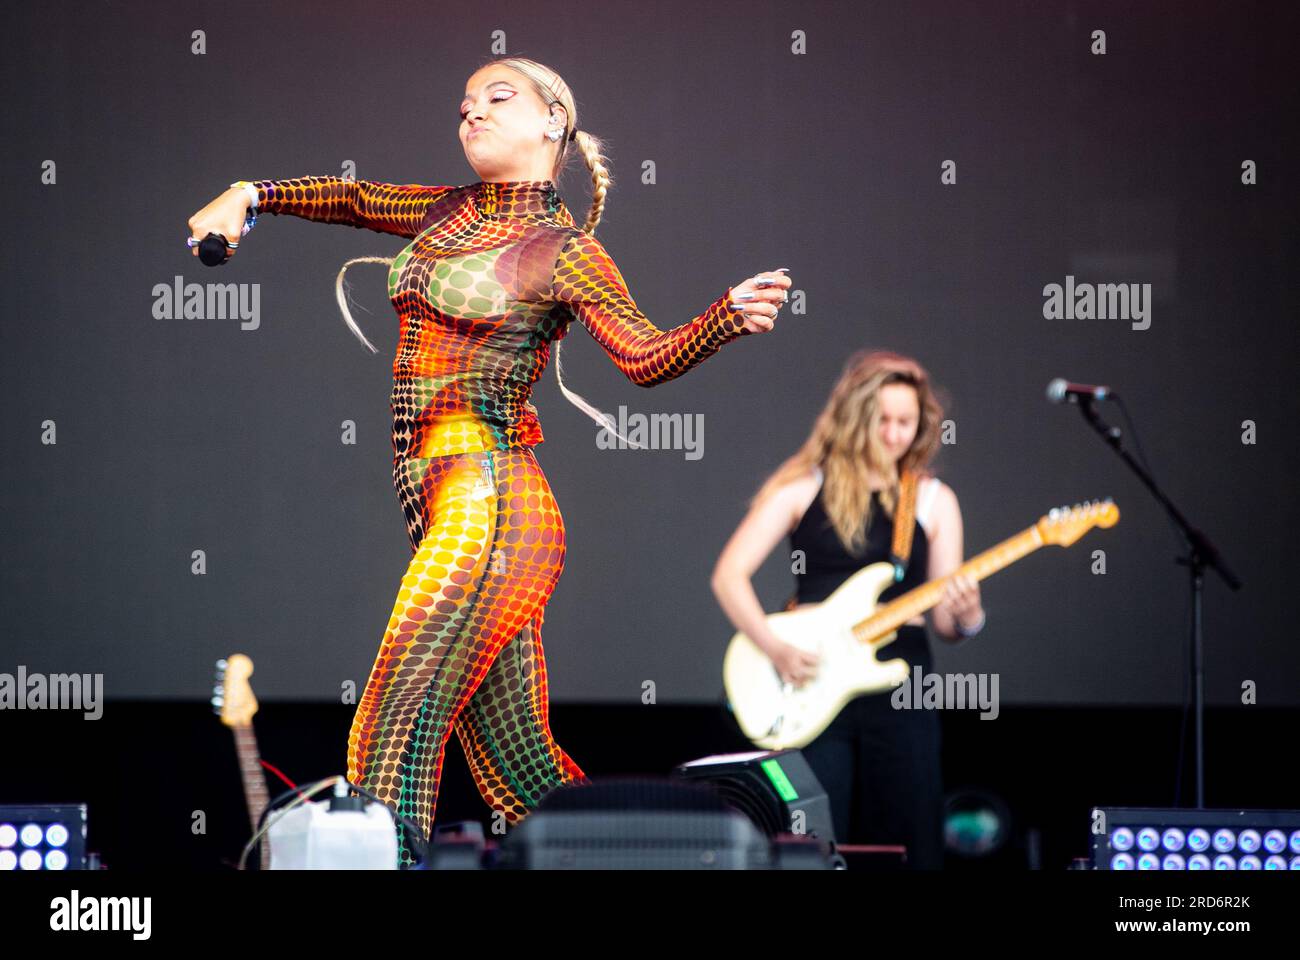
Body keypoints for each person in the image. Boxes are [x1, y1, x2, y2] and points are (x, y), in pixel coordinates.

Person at [186, 56, 793, 867]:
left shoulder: (562, 251)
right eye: (464, 104)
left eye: (497, 98)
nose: (471, 113)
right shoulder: (449, 211)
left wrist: (724, 317)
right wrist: (249, 193)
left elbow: (646, 358)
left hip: (494, 500)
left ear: (554, 122)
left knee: (396, 713)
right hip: (442, 502)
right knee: (524, 775)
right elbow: (356, 198)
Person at [710, 350, 984, 869]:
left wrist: (969, 615)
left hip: (901, 687)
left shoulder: (931, 500)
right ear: (855, 419)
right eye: (882, 420)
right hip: (811, 681)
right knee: (814, 836)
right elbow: (728, 575)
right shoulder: (804, 486)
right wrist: (775, 649)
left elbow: (948, 624)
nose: (895, 434)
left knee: (909, 834)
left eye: (907, 422)